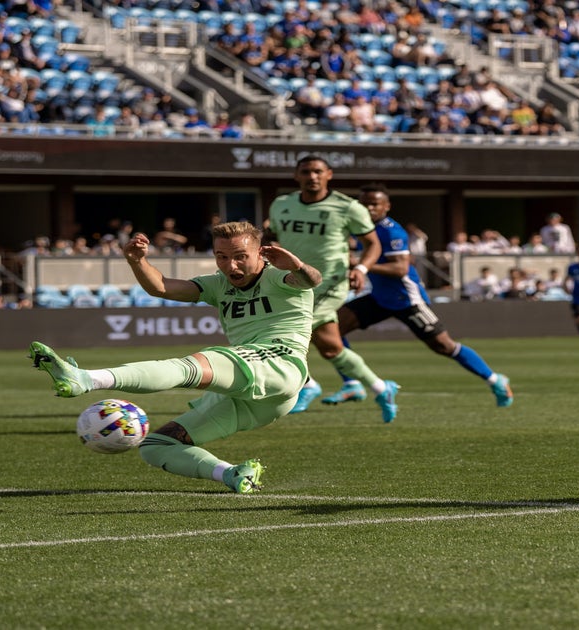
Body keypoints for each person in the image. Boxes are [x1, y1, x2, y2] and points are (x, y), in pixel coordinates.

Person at [29, 222, 322, 494]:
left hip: (280, 363)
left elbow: (311, 280)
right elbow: (161, 286)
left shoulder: (282, 278)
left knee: (190, 367)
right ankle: (234, 475)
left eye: (240, 256)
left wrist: (296, 265)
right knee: (157, 446)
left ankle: (88, 378)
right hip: (266, 401)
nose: (230, 265)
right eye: (221, 256)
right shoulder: (219, 284)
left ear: (261, 252)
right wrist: (137, 261)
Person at [338, 183, 513, 407]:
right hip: (379, 297)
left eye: (374, 204)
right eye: (364, 204)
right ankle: (352, 384)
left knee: (444, 346)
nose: (369, 208)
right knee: (332, 328)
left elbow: (400, 268)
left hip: (406, 299)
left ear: (387, 206)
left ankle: (495, 379)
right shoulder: (360, 227)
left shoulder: (392, 231)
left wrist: (361, 265)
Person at [268, 156, 398, 420]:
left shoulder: (348, 207)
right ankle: (381, 388)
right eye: (306, 171)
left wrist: (360, 269)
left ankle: (307, 385)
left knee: (285, 329)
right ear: (297, 176)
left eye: (318, 171)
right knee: (330, 347)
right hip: (293, 283)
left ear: (329, 174)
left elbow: (373, 244)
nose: (312, 176)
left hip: (330, 282)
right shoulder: (282, 205)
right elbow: (278, 241)